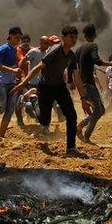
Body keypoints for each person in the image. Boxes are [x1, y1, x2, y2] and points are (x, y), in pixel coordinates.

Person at [12, 25, 82, 155]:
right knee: (45, 120)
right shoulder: (55, 51)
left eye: (75, 37)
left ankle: (71, 148)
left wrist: (83, 98)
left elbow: (76, 76)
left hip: (60, 86)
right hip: (45, 87)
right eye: (71, 37)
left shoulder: (72, 55)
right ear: (63, 38)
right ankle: (33, 100)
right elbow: (38, 68)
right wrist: (23, 83)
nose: (74, 40)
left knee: (72, 115)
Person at [75, 24, 112, 145]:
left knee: (101, 109)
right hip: (88, 84)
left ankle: (80, 126)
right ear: (94, 35)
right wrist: (111, 64)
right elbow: (97, 60)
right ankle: (85, 136)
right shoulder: (93, 45)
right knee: (98, 111)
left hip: (83, 83)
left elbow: (73, 66)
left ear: (84, 35)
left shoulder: (79, 49)